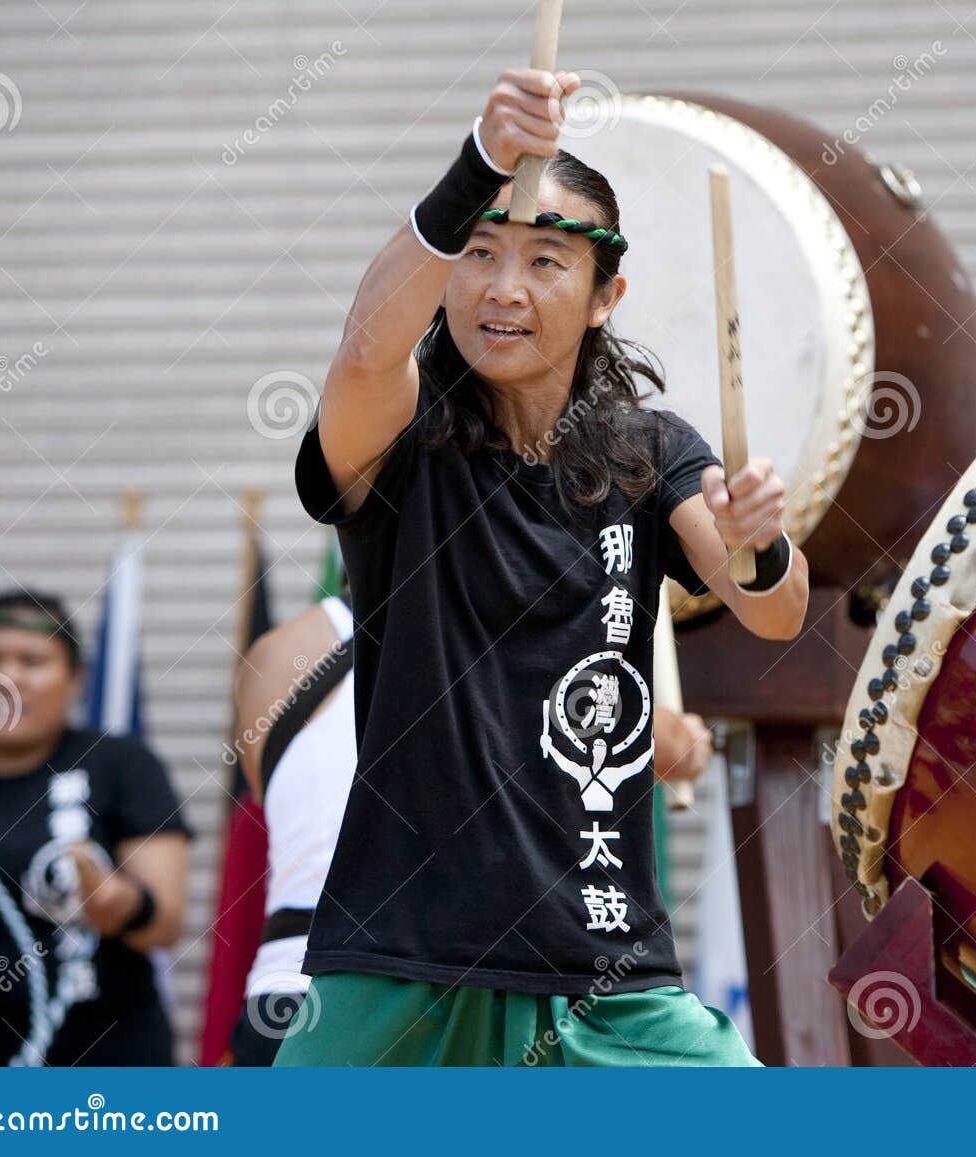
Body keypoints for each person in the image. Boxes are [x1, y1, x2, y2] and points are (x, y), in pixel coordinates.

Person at [275, 65, 807, 1067]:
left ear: (606, 295)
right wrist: (477, 163)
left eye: (545, 260)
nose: (503, 288)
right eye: (478, 254)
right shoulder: (403, 446)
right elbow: (359, 354)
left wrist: (760, 540)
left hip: (602, 966)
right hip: (402, 956)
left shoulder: (648, 451)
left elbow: (767, 608)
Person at [226, 582, 717, 1065]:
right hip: (414, 1004)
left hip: (283, 1002)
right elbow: (665, 746)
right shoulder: (510, 635)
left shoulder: (272, 657)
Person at [0, 589, 189, 1066]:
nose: (9, 678)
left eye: (32, 661)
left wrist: (121, 904)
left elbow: (165, 924)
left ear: (76, 678)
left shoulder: (120, 765)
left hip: (101, 1071)